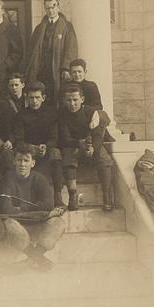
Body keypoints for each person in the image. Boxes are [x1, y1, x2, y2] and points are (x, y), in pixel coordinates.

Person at [0, 144, 67, 270]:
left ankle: (32, 259)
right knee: (9, 224)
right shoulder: (7, 179)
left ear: (32, 163)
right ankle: (39, 259)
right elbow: (5, 208)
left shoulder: (39, 179)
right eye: (19, 160)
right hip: (19, 225)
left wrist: (21, 208)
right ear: (14, 162)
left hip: (37, 223)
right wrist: (37, 210)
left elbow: (48, 204)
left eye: (26, 160)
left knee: (58, 223)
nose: (22, 164)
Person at [58, 83, 114, 212]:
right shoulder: (62, 115)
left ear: (82, 99)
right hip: (73, 146)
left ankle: (107, 197)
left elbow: (98, 134)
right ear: (64, 101)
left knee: (104, 158)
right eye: (69, 100)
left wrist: (93, 147)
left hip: (92, 144)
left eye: (75, 100)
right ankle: (72, 195)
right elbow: (64, 138)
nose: (72, 103)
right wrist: (79, 144)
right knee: (67, 156)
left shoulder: (91, 112)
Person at [13, 82, 66, 207]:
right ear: (27, 98)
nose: (34, 101)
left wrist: (46, 146)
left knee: (56, 153)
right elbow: (19, 139)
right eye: (31, 98)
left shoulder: (51, 113)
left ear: (43, 98)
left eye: (37, 97)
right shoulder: (21, 115)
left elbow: (55, 138)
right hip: (28, 151)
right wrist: (31, 148)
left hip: (46, 150)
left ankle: (58, 194)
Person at [25, 0, 78, 101]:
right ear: (45, 9)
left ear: (58, 7)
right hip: (41, 70)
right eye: (48, 8)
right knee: (42, 96)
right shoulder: (39, 28)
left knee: (57, 97)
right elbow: (31, 50)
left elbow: (70, 49)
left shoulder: (67, 27)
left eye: (53, 7)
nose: (51, 11)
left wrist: (66, 68)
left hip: (57, 70)